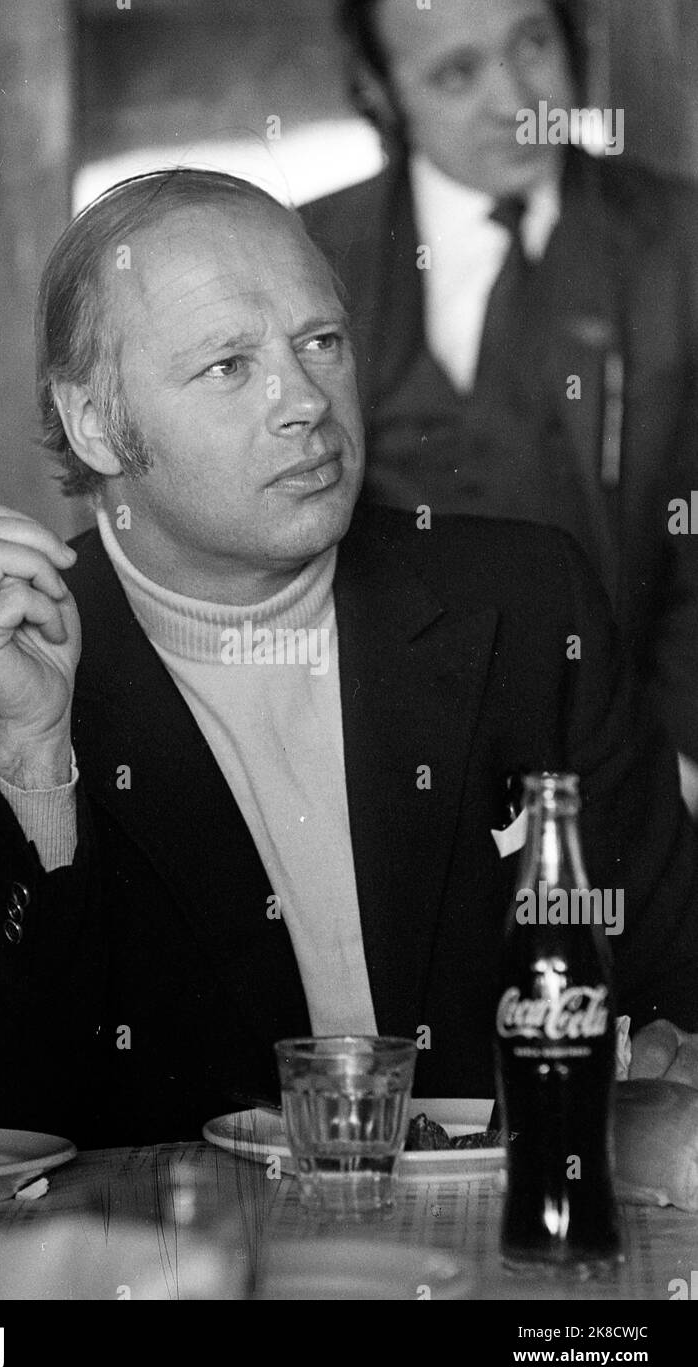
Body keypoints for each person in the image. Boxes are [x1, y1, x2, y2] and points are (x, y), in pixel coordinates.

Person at [0, 169, 698, 1147]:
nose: (305, 402)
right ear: (94, 423)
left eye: (320, 342)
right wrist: (31, 756)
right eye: (228, 365)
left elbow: (669, 979)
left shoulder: (529, 605)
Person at [302, 0, 698, 811]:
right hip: (384, 787)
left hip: (643, 770)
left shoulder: (678, 243)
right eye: (456, 74)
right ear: (377, 89)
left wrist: (672, 770)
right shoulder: (306, 254)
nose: (516, 102)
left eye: (532, 43)